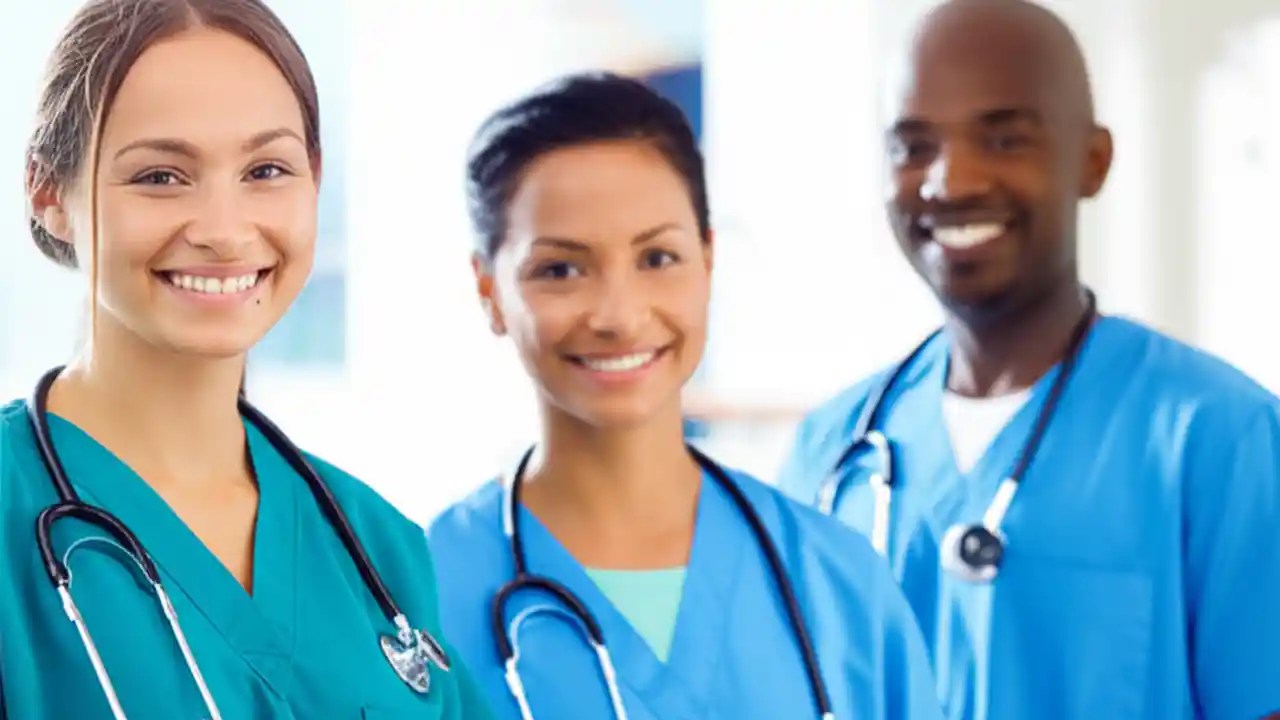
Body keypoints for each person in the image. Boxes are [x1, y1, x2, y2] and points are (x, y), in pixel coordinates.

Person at [776, 1, 1280, 719]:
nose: (951, 181)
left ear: (1093, 161)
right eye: (913, 147)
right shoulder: (828, 454)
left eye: (1005, 139)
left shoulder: (1221, 439)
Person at [0, 1, 491, 718]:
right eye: (160, 176)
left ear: (314, 178)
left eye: (266, 169)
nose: (225, 232)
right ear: (49, 193)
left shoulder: (378, 545)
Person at [426, 72, 943, 720]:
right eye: (560, 269)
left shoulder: (839, 583)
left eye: (657, 258)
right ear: (489, 292)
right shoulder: (418, 594)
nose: (619, 316)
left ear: (708, 258)